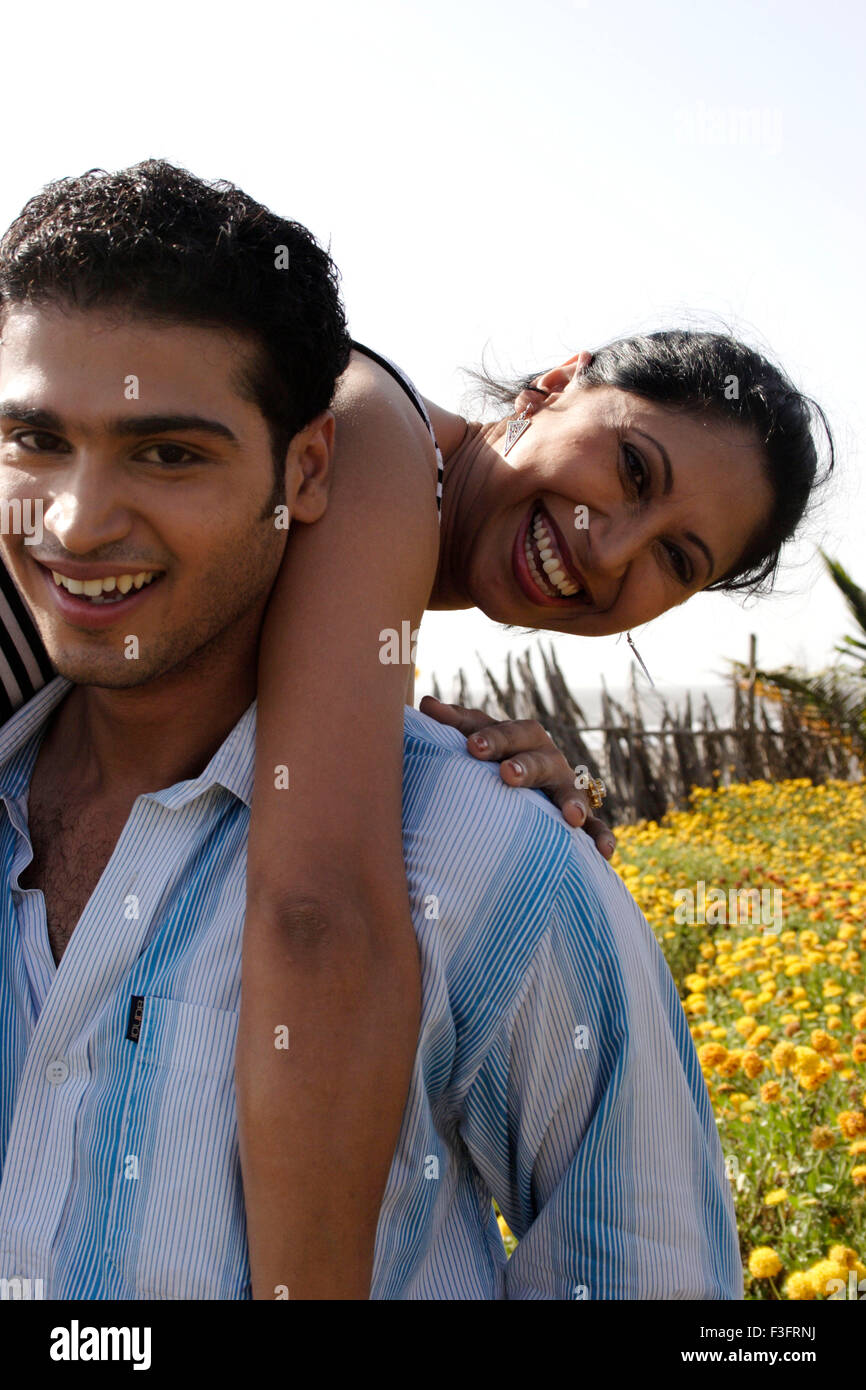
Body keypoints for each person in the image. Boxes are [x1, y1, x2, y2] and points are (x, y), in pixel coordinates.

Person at [0, 162, 832, 1298]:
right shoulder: (379, 442)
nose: (607, 545)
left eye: (673, 562)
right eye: (629, 471)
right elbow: (317, 906)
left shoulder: (387, 607)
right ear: (553, 384)